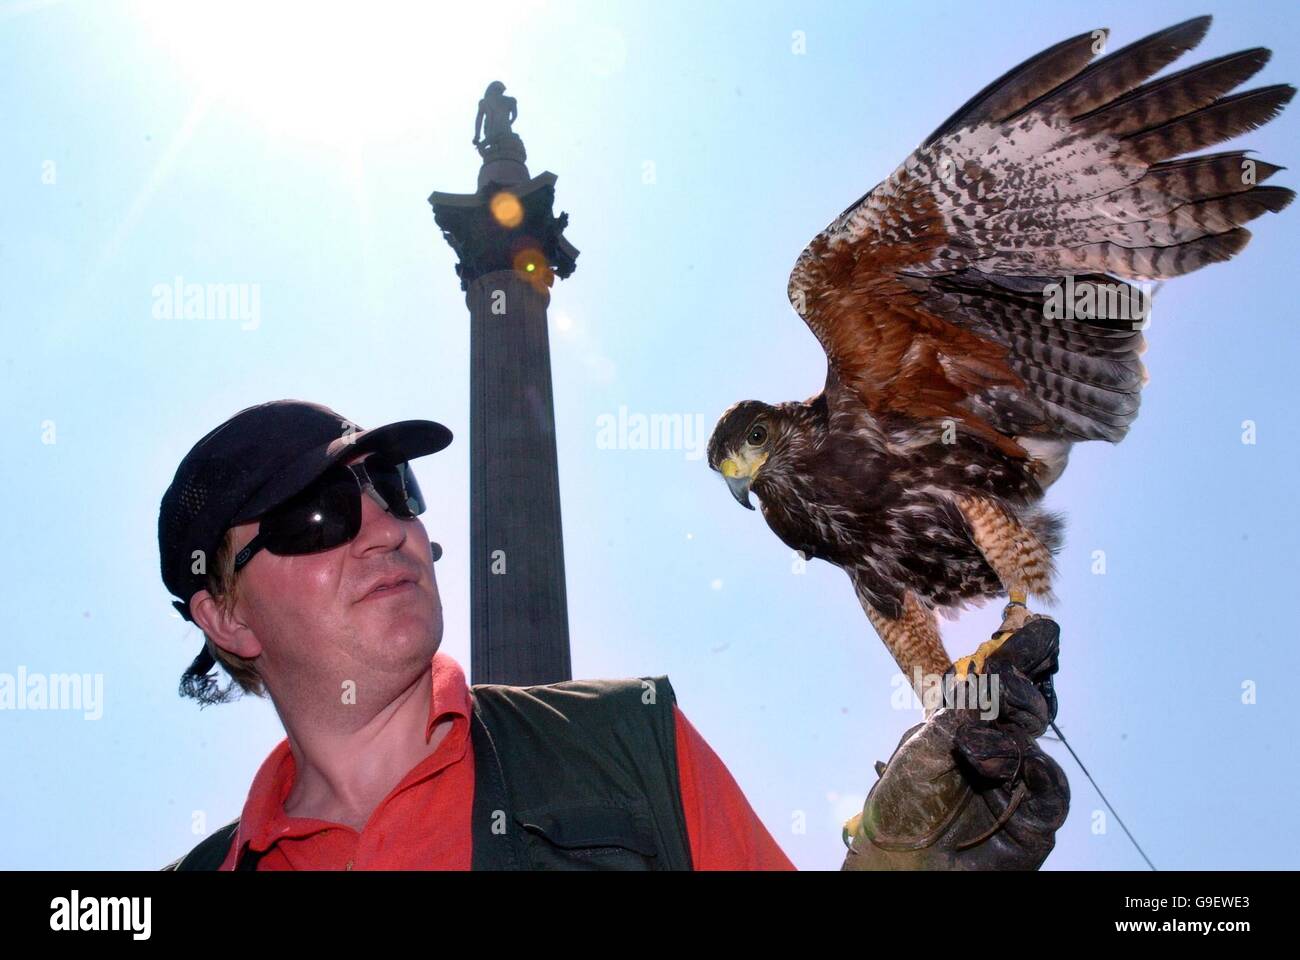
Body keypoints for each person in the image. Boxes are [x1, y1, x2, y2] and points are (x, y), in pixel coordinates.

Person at [158, 399, 1068, 871]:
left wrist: (905, 860)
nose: (387, 528)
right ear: (227, 614)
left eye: (393, 487)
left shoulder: (631, 747)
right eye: (317, 515)